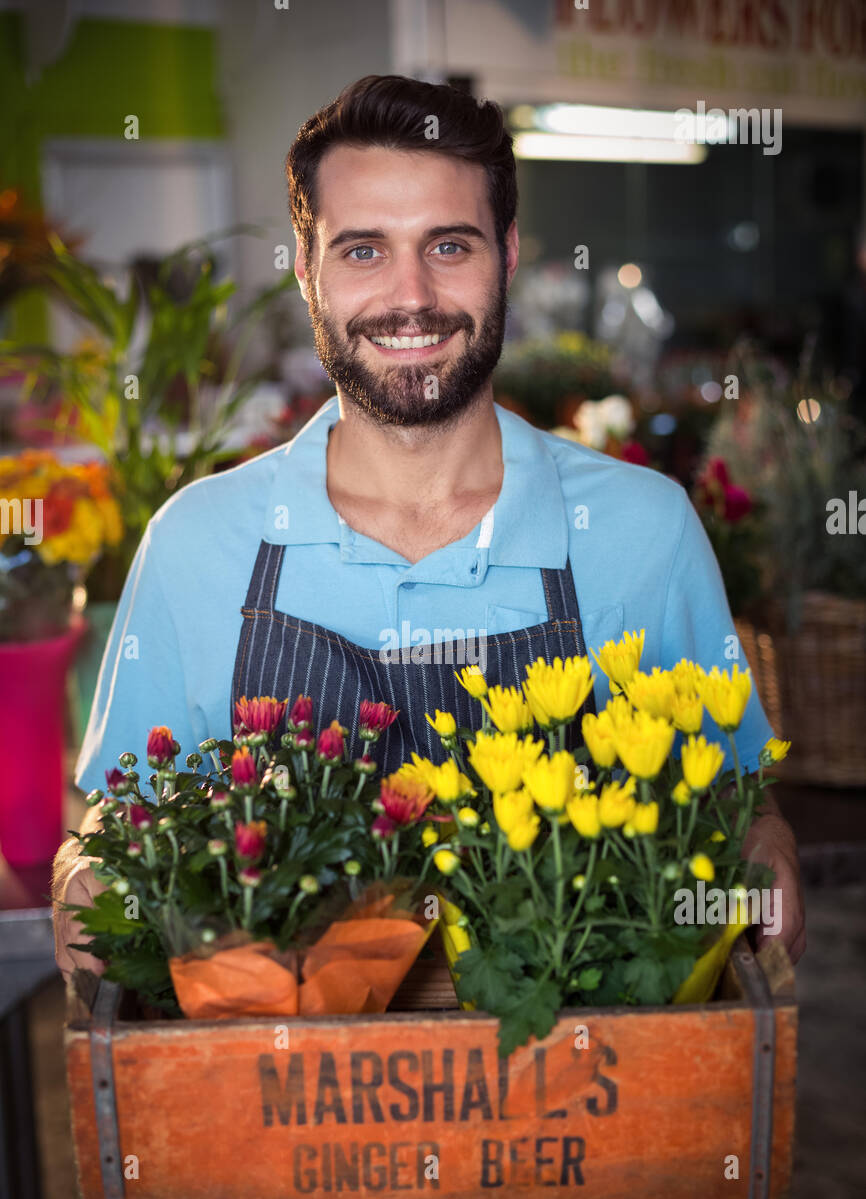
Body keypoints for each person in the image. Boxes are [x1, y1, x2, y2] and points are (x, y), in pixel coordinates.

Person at [53, 74, 804, 977]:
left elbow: (735, 801)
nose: (411, 296)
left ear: (508, 254)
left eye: (448, 245)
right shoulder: (195, 544)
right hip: (275, 1061)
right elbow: (114, 820)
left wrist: (767, 845)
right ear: (306, 271)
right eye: (363, 250)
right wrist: (81, 879)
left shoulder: (645, 531)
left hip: (578, 1061)